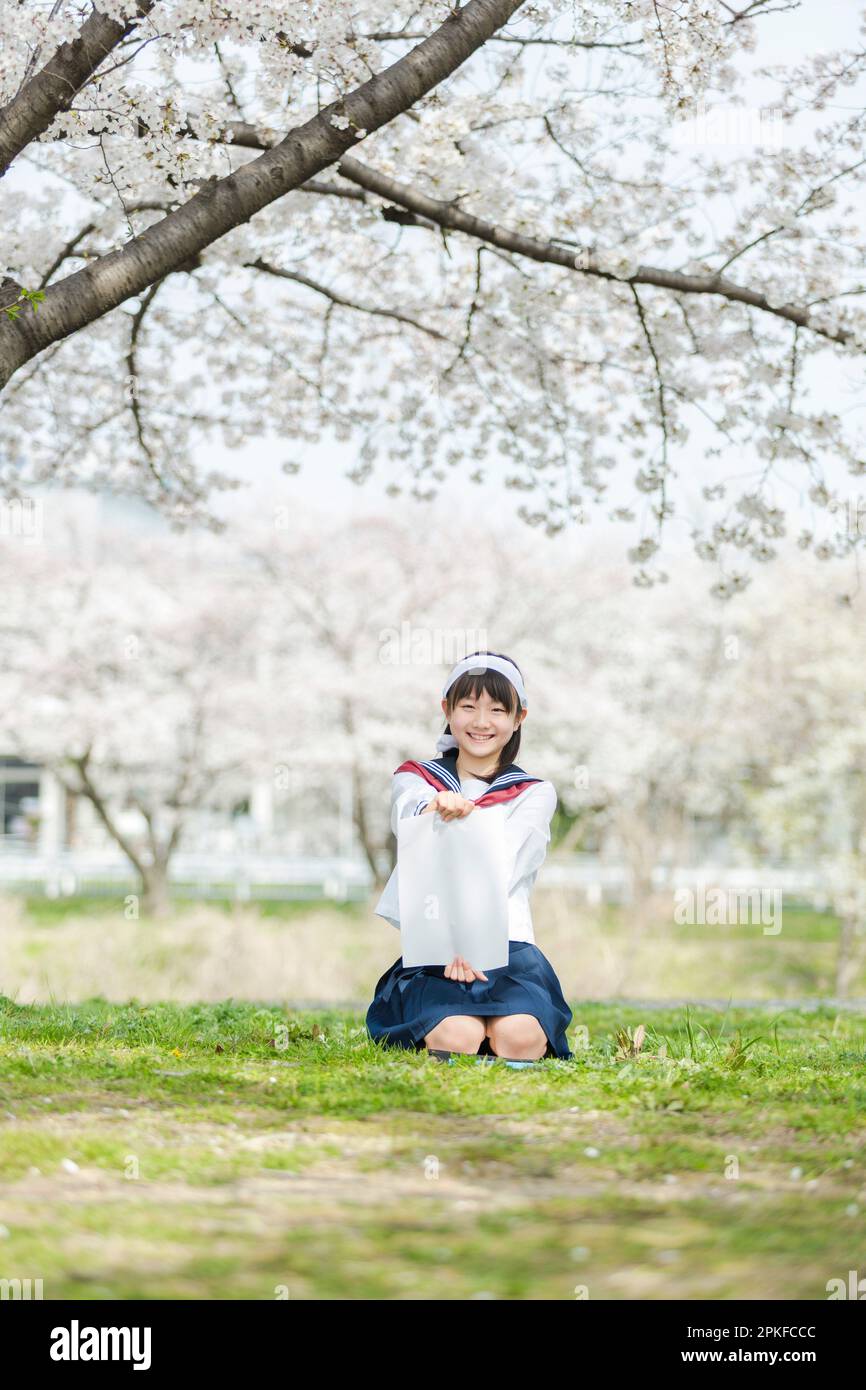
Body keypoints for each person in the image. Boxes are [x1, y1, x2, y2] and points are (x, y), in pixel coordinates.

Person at [366, 650, 573, 1061]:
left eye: (497, 709)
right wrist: (437, 809)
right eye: (468, 707)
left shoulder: (534, 792)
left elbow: (503, 867)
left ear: (519, 718)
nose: (481, 722)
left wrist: (474, 943)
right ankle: (473, 1041)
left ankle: (495, 1044)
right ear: (447, 710)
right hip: (435, 948)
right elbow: (409, 815)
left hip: (508, 946)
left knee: (521, 1039)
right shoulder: (417, 778)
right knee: (456, 1036)